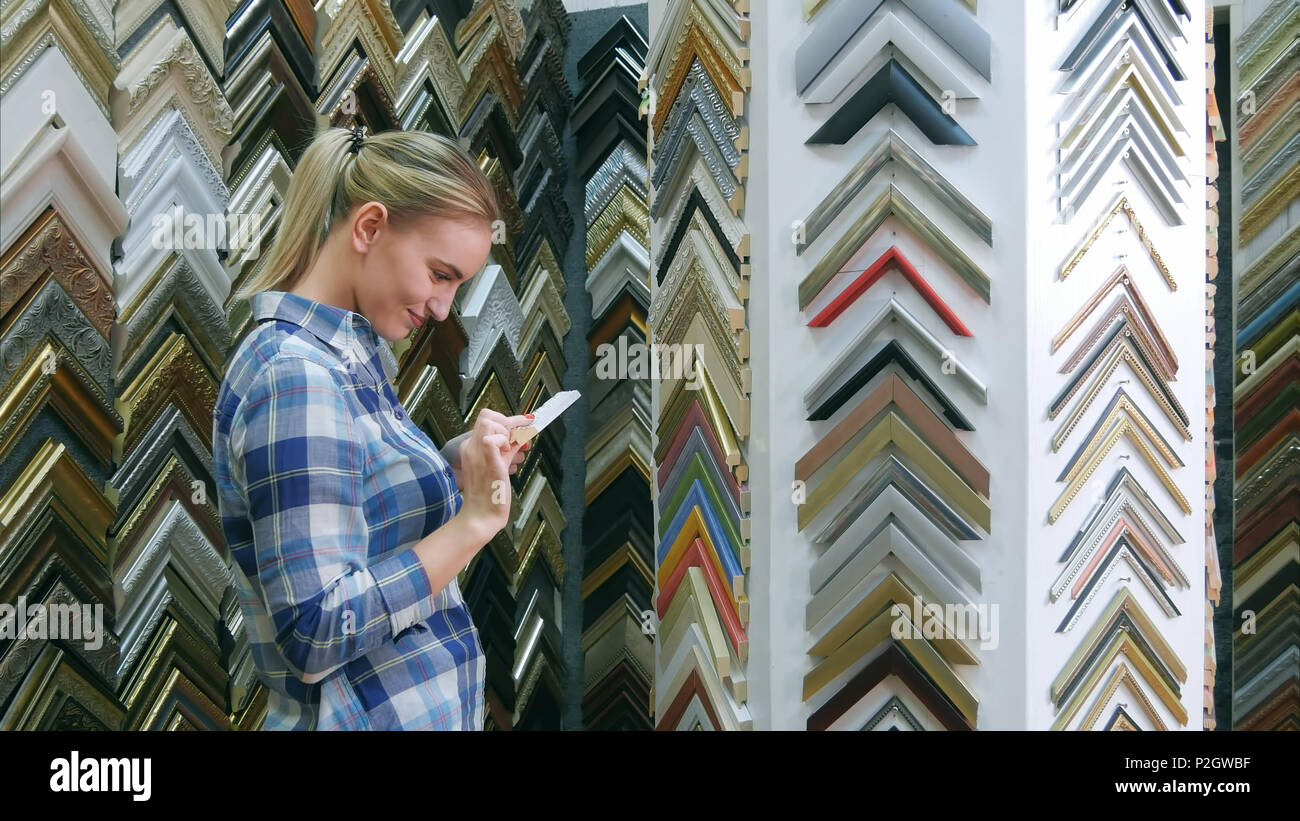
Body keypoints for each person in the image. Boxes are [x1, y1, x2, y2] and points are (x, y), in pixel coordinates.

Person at [211, 125, 530, 730]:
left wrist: (456, 463)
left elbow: (357, 522)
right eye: (440, 274)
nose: (442, 307)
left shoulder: (349, 355)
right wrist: (475, 524)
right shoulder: (295, 376)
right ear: (369, 227)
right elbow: (315, 631)